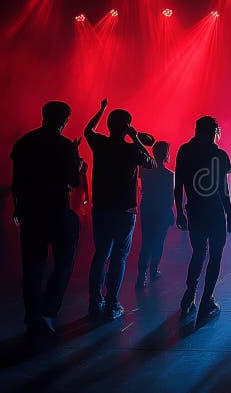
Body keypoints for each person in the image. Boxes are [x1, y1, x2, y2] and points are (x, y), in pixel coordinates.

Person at [11, 102, 81, 336]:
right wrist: (78, 163)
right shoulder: (65, 146)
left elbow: (17, 182)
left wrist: (17, 209)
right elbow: (74, 180)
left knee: (32, 265)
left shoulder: (24, 143)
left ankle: (32, 315)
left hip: (31, 212)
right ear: (65, 120)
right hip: (57, 211)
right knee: (64, 262)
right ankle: (48, 311)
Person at [85, 99, 155, 320]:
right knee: (119, 257)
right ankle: (112, 304)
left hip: (102, 208)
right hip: (125, 210)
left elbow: (88, 130)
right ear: (127, 126)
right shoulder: (130, 149)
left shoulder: (100, 144)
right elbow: (152, 163)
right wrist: (134, 137)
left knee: (100, 255)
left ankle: (95, 302)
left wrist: (101, 110)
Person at [175, 116, 231, 320]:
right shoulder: (219, 154)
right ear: (214, 131)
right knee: (215, 256)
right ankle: (207, 299)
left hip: (195, 211)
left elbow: (179, 185)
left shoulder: (184, 150)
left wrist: (180, 212)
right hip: (216, 212)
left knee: (198, 253)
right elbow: (224, 189)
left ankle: (189, 295)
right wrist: (230, 214)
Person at [136, 141, 174, 289]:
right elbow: (171, 197)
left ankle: (141, 276)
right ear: (167, 154)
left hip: (147, 208)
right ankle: (153, 270)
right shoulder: (169, 174)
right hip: (162, 210)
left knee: (146, 242)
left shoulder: (144, 170)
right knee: (158, 242)